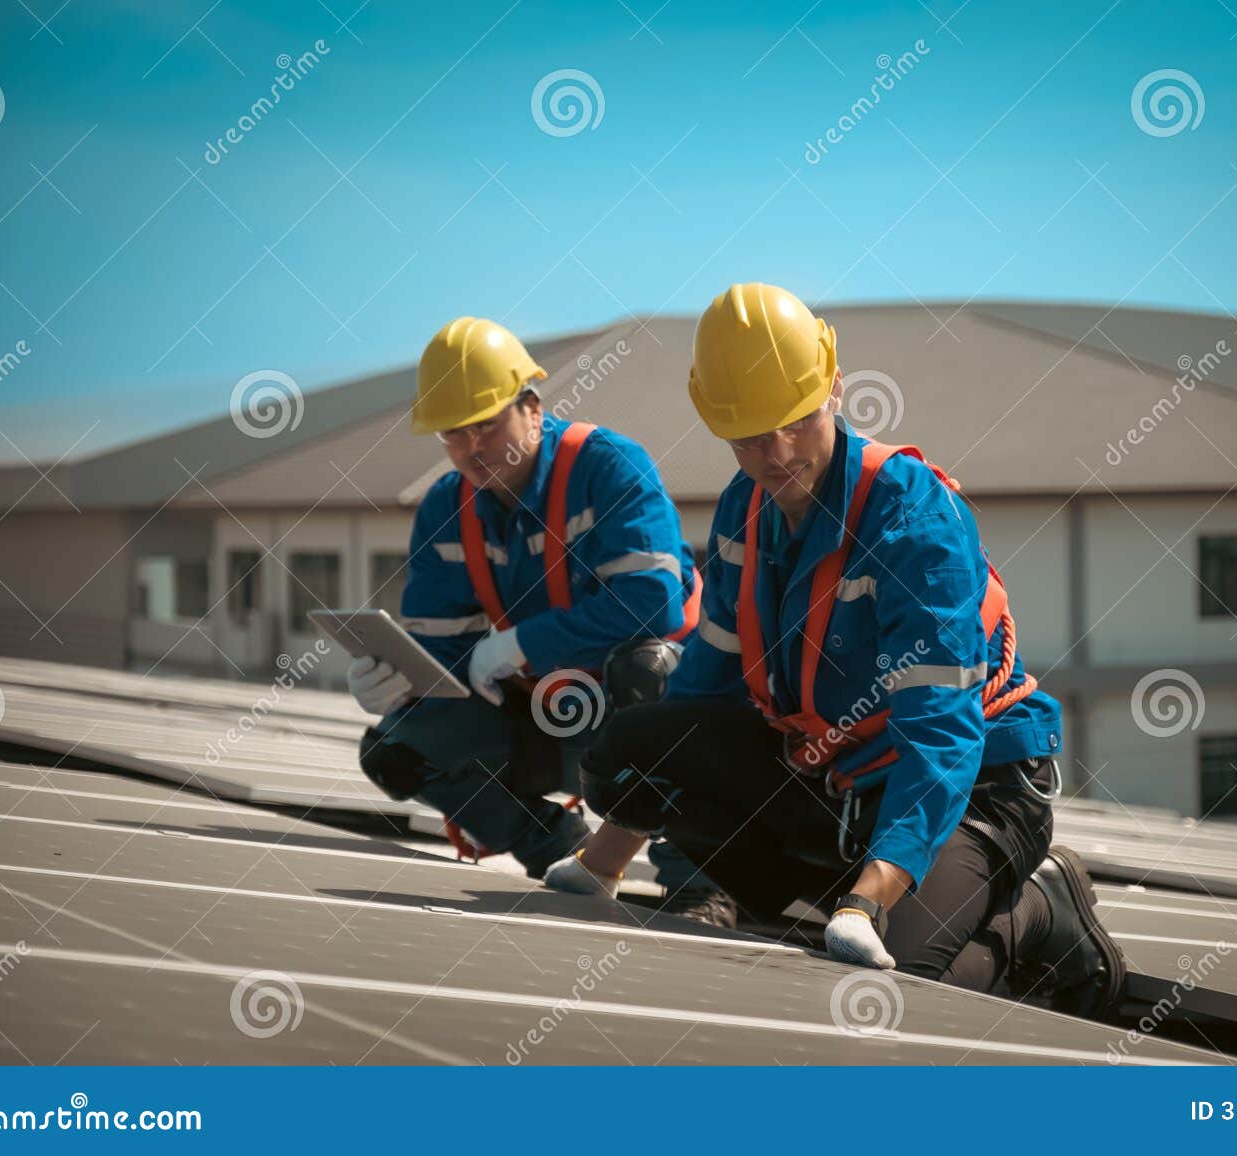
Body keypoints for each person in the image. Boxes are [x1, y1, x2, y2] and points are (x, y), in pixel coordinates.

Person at [549, 284, 1126, 1012]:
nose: (778, 453)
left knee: (900, 981)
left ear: (835, 391)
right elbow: (703, 695)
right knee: (636, 745)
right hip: (843, 782)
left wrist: (874, 893)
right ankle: (851, 896)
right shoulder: (744, 510)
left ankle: (1040, 911)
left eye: (796, 422)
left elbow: (942, 730)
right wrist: (605, 861)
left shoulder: (912, 518)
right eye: (751, 435)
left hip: (977, 786)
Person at [348, 316, 732, 922]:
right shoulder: (447, 510)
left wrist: (521, 643)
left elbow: (651, 602)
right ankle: (563, 853)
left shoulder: (609, 469)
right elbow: (442, 653)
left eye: (486, 425)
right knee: (394, 749)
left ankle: (701, 884)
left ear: (531, 408)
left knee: (646, 668)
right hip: (550, 717)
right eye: (454, 434)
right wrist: (399, 684)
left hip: (654, 715)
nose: (472, 449)